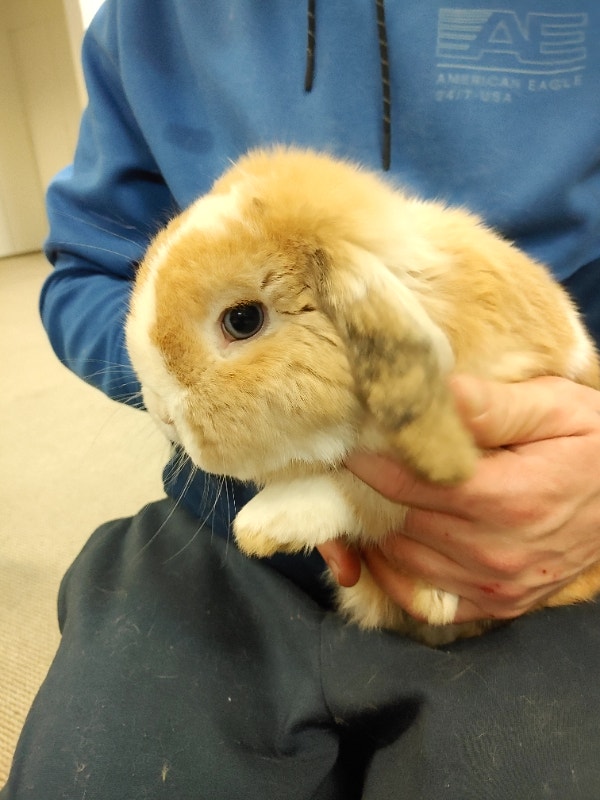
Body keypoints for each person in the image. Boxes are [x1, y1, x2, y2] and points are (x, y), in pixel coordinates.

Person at [3, 2, 600, 797]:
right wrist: (227, 409)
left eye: (243, 320)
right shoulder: (148, 20)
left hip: (537, 540)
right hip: (227, 512)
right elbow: (86, 262)